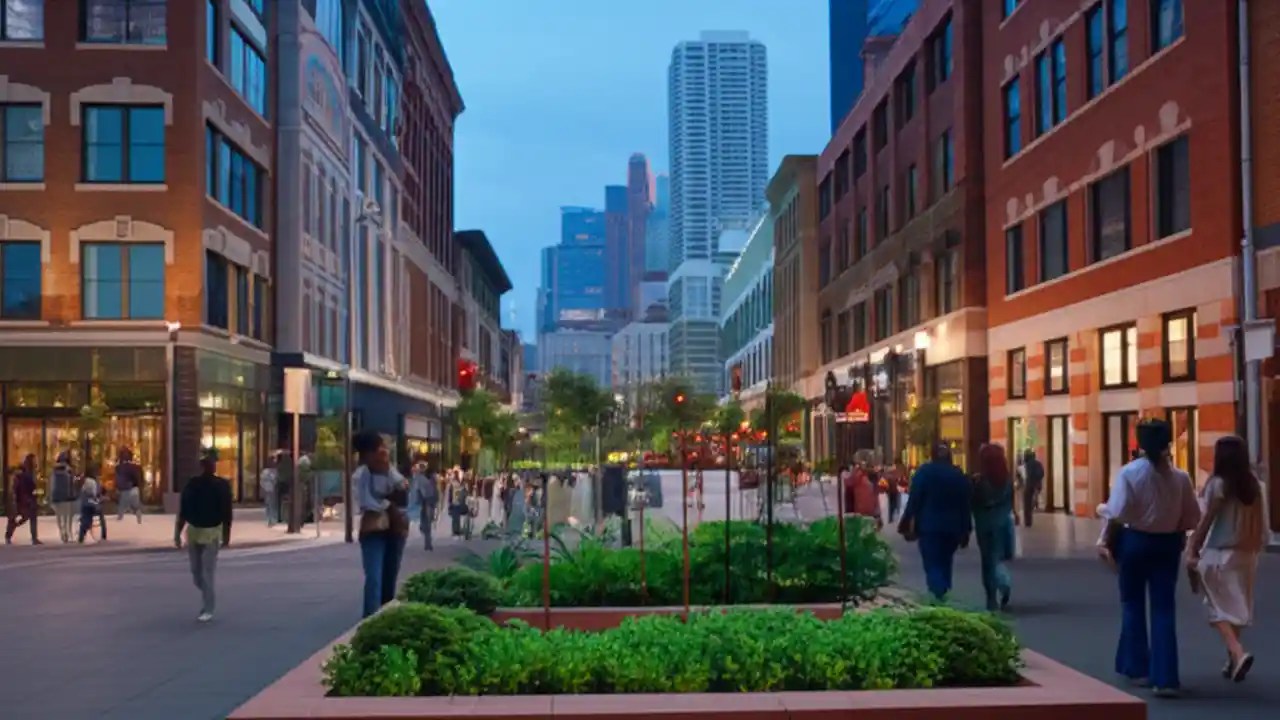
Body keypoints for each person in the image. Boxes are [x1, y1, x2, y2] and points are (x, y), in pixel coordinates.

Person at [1097, 418, 1200, 698]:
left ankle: (1137, 666)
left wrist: (1101, 511)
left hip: (1135, 541)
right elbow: (1193, 516)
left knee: (1132, 602)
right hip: (1167, 544)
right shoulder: (1181, 478)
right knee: (1164, 607)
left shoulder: (1129, 473)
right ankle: (1165, 677)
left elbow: (1116, 511)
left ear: (1141, 443)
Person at [1185, 435, 1266, 683]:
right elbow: (1263, 523)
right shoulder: (1256, 486)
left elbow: (1206, 520)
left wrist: (1193, 546)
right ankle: (1232, 659)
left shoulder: (1218, 485)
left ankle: (1238, 653)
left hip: (1220, 552)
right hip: (1248, 553)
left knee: (1216, 606)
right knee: (1237, 604)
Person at [899, 443, 971, 600]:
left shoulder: (924, 472)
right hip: (953, 528)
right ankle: (943, 588)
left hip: (929, 527)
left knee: (932, 563)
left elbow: (914, 500)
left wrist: (905, 521)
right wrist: (967, 530)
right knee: (946, 561)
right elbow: (965, 504)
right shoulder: (958, 475)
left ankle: (938, 593)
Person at [354, 431, 409, 617]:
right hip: (373, 530)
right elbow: (366, 503)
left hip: (395, 529)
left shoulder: (389, 470)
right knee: (374, 578)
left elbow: (403, 486)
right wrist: (388, 504)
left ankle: (385, 617)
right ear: (366, 454)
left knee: (389, 577)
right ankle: (370, 620)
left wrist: (387, 469)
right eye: (378, 449)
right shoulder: (360, 476)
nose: (382, 452)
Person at [175, 448, 233, 623]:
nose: (210, 466)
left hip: (212, 531)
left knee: (208, 572)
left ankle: (208, 607)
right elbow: (183, 510)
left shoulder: (222, 485)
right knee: (196, 573)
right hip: (194, 531)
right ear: (201, 466)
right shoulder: (192, 484)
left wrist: (226, 535)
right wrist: (177, 533)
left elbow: (227, 512)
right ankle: (207, 594)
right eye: (206, 463)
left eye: (212, 463)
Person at [972, 444, 1015, 611]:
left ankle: (992, 596)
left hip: (985, 525)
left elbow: (974, 503)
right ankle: (1003, 582)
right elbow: (1010, 502)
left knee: (987, 561)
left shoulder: (980, 481)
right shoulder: (1007, 480)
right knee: (997, 557)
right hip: (1003, 522)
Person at [5, 454, 40, 545]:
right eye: (34, 460)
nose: (36, 462)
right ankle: (9, 535)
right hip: (22, 500)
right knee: (18, 518)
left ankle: (33, 537)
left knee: (27, 516)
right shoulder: (24, 474)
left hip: (25, 500)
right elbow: (20, 488)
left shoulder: (30, 473)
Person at [49, 452, 79, 543]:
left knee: (59, 516)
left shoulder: (54, 470)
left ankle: (62, 532)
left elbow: (51, 484)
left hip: (57, 495)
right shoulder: (69, 470)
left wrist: (50, 496)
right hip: (67, 496)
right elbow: (72, 483)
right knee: (67, 517)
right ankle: (68, 533)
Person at [78, 463, 108, 543]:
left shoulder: (85, 480)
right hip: (91, 503)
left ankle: (81, 536)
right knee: (95, 517)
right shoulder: (92, 482)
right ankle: (103, 535)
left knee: (86, 519)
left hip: (86, 503)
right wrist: (100, 499)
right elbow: (93, 494)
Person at [412, 460, 438, 551]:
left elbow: (418, 490)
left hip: (428, 502)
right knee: (426, 522)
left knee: (427, 522)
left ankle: (428, 543)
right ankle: (428, 541)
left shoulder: (427, 477)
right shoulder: (421, 478)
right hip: (426, 502)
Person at [115, 448, 144, 523]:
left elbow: (118, 480)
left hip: (125, 490)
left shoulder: (119, 468)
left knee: (122, 507)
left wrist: (118, 488)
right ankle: (139, 518)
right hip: (134, 489)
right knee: (136, 506)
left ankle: (120, 518)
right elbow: (138, 479)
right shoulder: (136, 467)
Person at [1020, 449, 1044, 527]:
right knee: (1031, 502)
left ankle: (1028, 521)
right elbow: (1041, 474)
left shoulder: (1028, 464)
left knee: (1027, 504)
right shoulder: (1038, 463)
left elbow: (1028, 475)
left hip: (1029, 485)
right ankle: (1029, 519)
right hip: (1036, 485)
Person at [259, 453, 279, 527]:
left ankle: (271, 519)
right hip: (270, 489)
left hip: (268, 489)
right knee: (271, 504)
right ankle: (272, 519)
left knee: (269, 504)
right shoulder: (271, 471)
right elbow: (275, 479)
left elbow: (262, 481)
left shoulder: (265, 471)